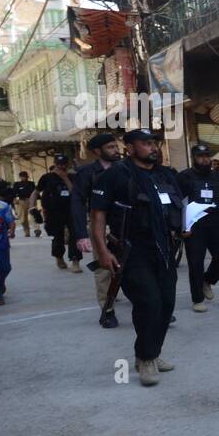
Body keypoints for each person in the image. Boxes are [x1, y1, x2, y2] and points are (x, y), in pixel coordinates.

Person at [89, 129, 183, 386]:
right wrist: (103, 252)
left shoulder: (165, 175)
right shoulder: (114, 176)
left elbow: (176, 206)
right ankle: (146, 358)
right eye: (146, 143)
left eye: (154, 143)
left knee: (167, 304)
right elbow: (98, 217)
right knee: (149, 303)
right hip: (132, 251)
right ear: (129, 148)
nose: (153, 148)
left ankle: (154, 351)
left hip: (164, 249)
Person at [71, 132, 123, 328]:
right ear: (97, 151)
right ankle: (107, 309)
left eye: (116, 146)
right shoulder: (87, 173)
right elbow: (77, 202)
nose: (116, 150)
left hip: (127, 223)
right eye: (110, 147)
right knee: (104, 269)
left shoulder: (125, 168)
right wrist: (81, 235)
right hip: (101, 225)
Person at [177, 143, 219, 314]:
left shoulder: (218, 176)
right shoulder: (184, 176)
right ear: (194, 158)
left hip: (216, 224)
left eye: (207, 156)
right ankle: (197, 299)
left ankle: (207, 281)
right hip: (195, 225)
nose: (205, 159)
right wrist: (182, 225)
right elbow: (178, 202)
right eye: (201, 157)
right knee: (195, 263)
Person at [35, 155, 82, 271]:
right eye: (59, 164)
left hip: (71, 210)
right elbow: (36, 192)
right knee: (58, 236)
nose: (62, 167)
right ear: (55, 164)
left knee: (75, 235)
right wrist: (32, 207)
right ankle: (59, 256)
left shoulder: (73, 176)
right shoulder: (47, 177)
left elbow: (75, 193)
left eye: (64, 164)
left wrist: (65, 178)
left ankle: (75, 261)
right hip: (54, 212)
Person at [11, 171, 37, 237]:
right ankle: (26, 232)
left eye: (25, 176)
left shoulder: (31, 184)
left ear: (27, 177)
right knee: (22, 218)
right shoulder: (17, 184)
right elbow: (13, 193)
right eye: (22, 176)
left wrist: (35, 199)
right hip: (21, 201)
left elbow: (35, 192)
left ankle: (37, 229)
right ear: (20, 177)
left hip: (31, 201)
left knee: (33, 215)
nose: (24, 178)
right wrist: (14, 199)